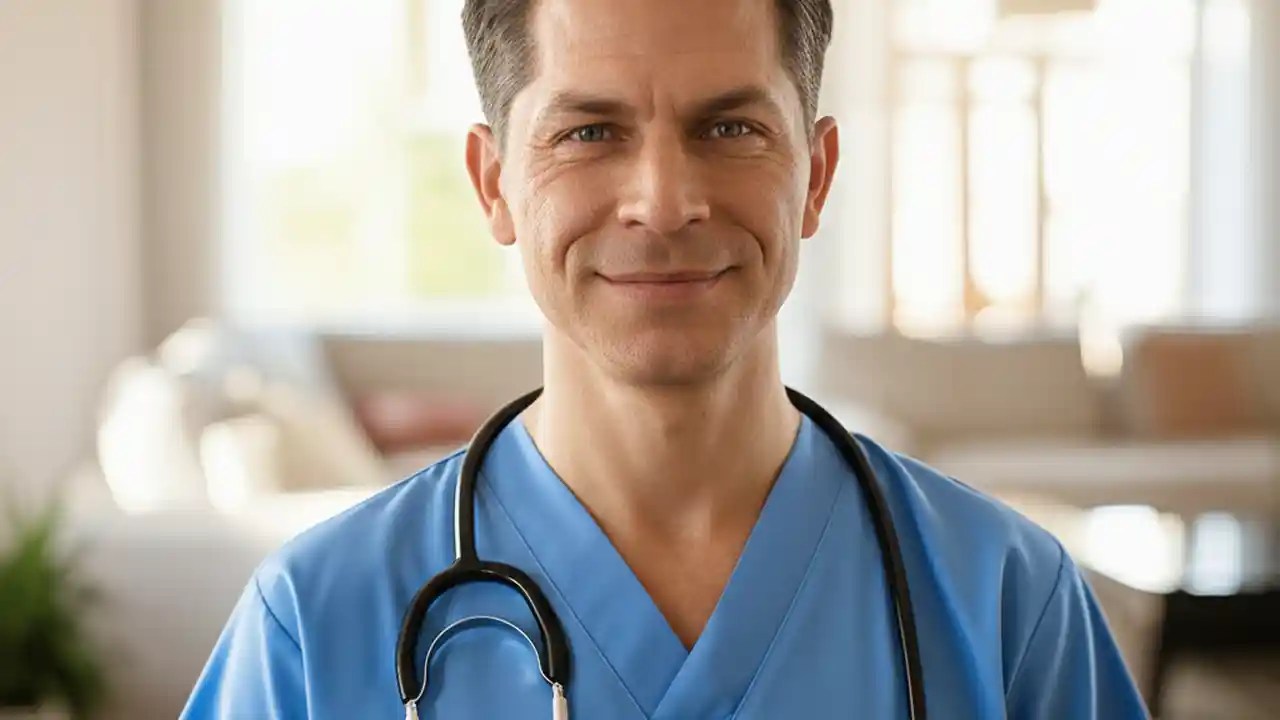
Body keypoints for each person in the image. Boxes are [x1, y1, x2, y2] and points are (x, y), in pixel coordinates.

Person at [182, 0, 1149, 717]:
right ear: (495, 185)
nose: (664, 199)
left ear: (816, 177)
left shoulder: (1009, 605)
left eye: (729, 128)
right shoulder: (314, 624)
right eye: (589, 132)